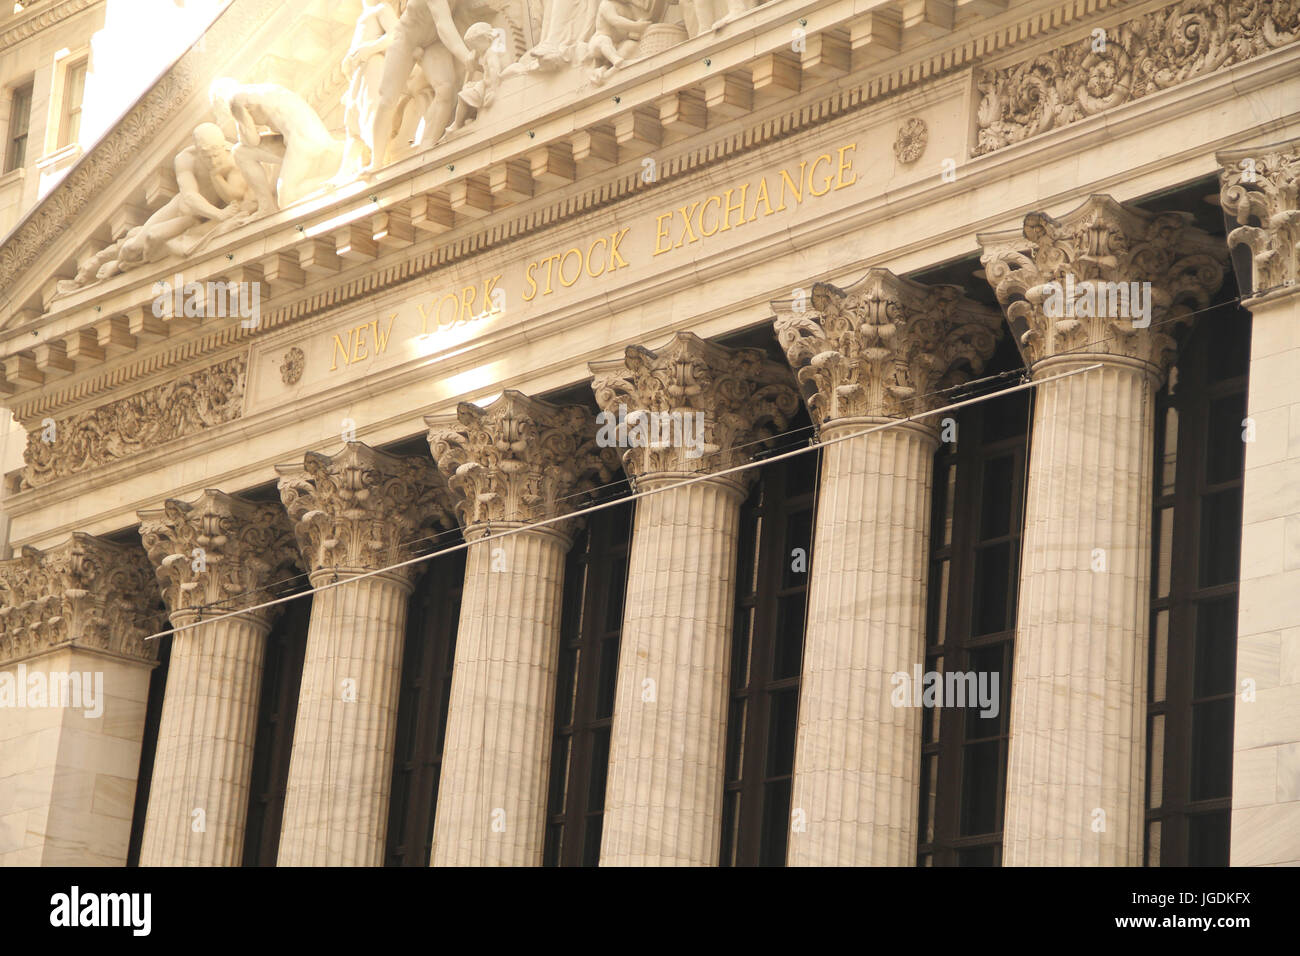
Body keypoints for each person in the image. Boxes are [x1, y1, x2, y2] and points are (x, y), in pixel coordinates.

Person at [365, 0, 474, 173]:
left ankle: (427, 147)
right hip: (407, 38)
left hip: (433, 41)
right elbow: (443, 24)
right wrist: (467, 57)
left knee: (446, 89)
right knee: (387, 99)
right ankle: (376, 162)